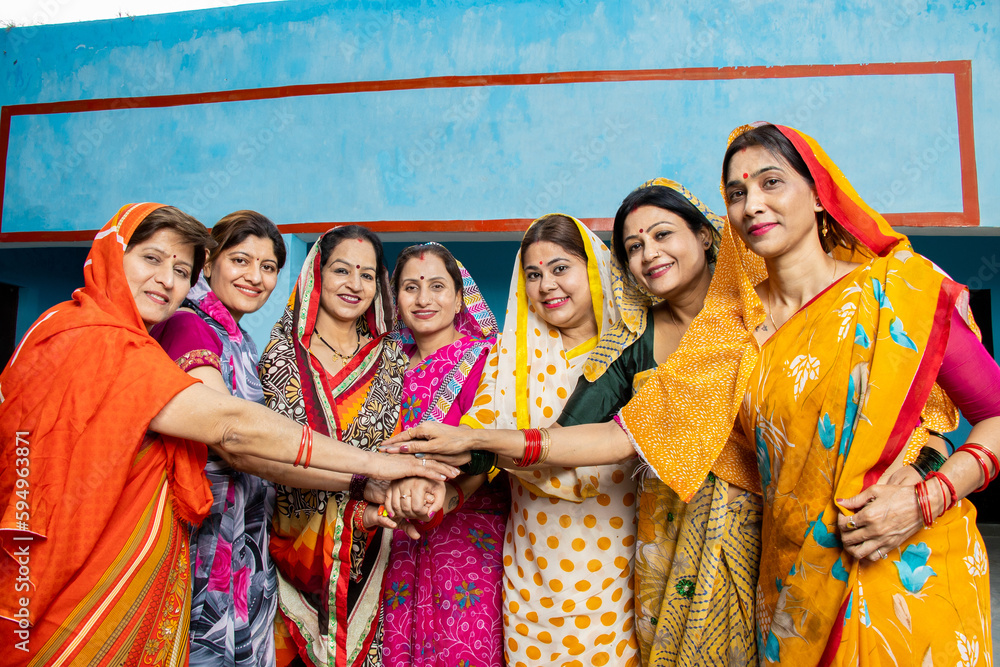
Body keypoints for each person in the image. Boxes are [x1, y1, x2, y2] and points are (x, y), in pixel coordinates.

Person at [0, 204, 455, 667]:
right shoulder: (170, 328)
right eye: (151, 260)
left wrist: (363, 486)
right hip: (172, 549)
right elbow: (233, 434)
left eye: (179, 268)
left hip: (244, 546)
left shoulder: (228, 338)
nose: (165, 279)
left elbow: (253, 456)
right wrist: (376, 465)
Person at [556, 178, 761, 666]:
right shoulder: (633, 342)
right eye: (633, 246)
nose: (649, 253)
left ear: (706, 235)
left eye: (662, 234)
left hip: (765, 526)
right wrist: (474, 453)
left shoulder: (760, 309)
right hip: (669, 541)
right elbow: (569, 431)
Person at [458, 214, 639, 667]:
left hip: (620, 561)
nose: (546, 286)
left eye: (560, 268)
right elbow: (479, 430)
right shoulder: (511, 357)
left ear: (594, 268)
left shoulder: (632, 351)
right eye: (533, 275)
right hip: (534, 566)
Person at [260, 226, 445, 667]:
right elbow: (263, 456)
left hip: (373, 552)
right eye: (341, 270)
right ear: (316, 274)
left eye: (366, 275)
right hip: (285, 553)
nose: (354, 285)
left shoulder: (393, 359)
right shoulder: (279, 355)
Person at [151, 210, 287, 667]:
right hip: (201, 534)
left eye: (268, 268)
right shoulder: (188, 323)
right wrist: (361, 471)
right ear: (208, 263)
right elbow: (234, 437)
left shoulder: (241, 339)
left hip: (241, 531)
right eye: (241, 260)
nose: (255, 277)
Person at [380, 242, 508, 667]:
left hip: (470, 533)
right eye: (410, 287)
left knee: (468, 646)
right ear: (396, 298)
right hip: (398, 532)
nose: (423, 299)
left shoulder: (489, 360)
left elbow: (496, 447)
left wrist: (446, 496)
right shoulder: (384, 368)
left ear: (459, 298)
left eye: (437, 286)